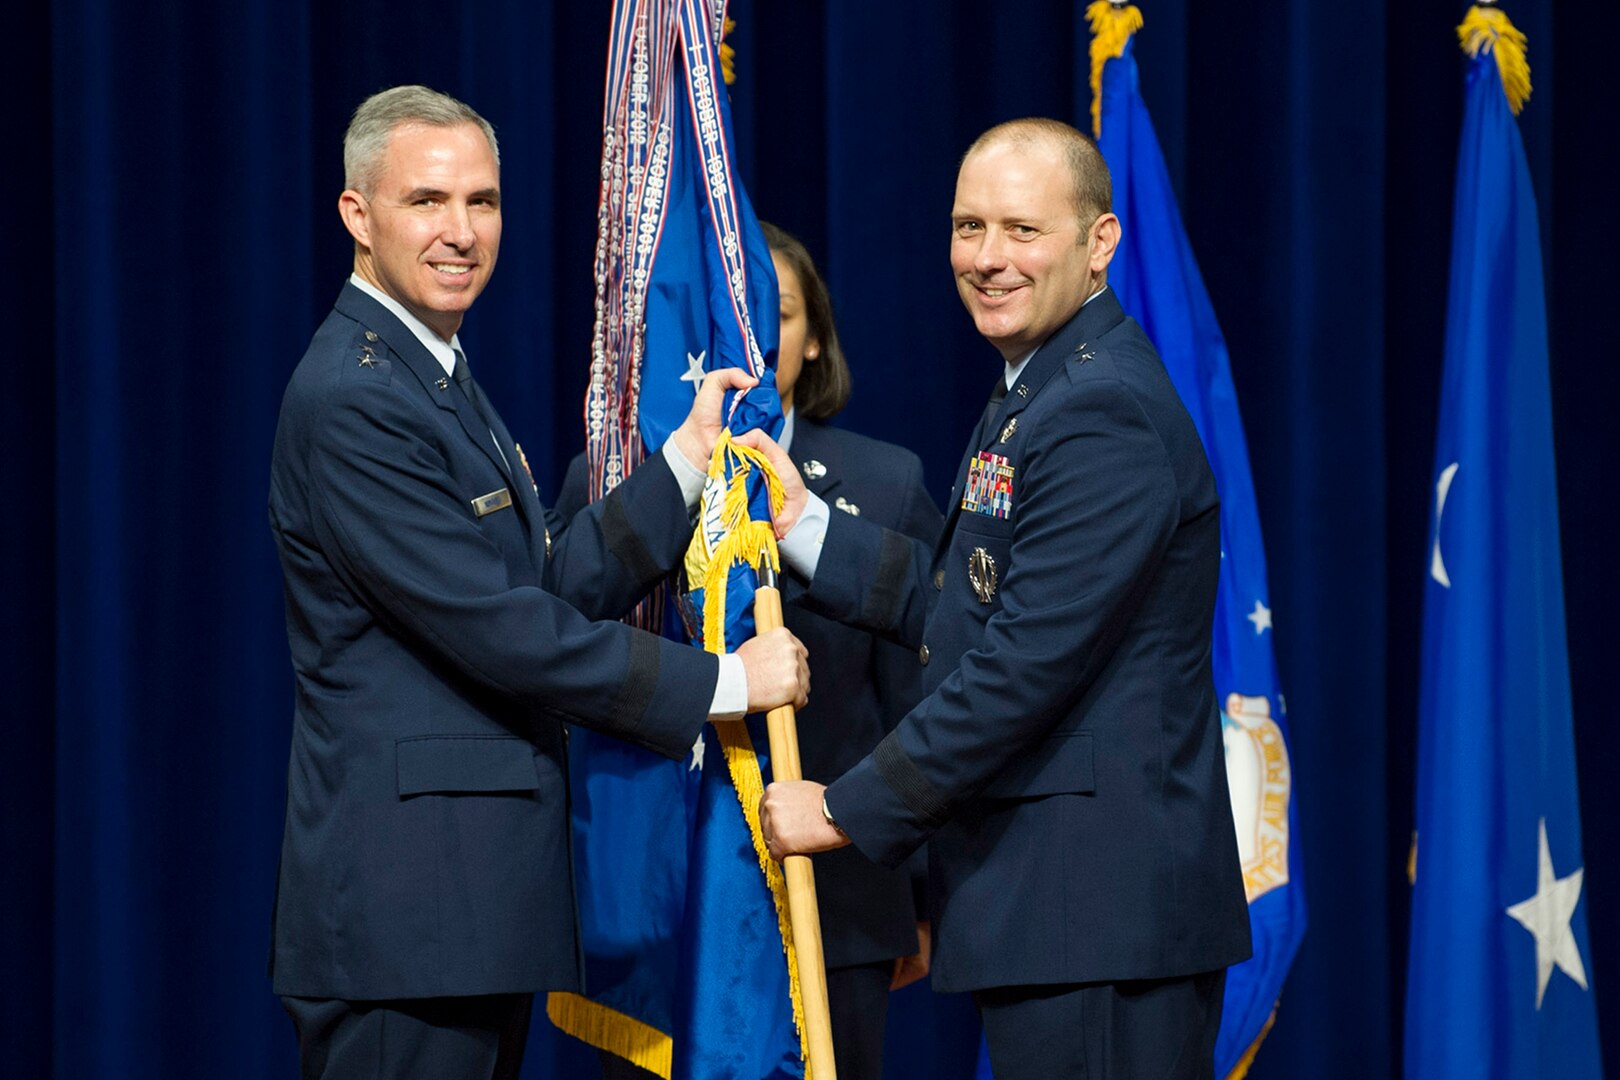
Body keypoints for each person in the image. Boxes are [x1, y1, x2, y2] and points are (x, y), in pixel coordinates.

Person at [266, 85, 808, 1080]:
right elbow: (503, 629)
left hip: (462, 915)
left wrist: (683, 468)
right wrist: (726, 686)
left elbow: (541, 576)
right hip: (411, 925)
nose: (461, 231)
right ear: (357, 214)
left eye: (483, 201)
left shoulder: (429, 371)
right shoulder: (356, 395)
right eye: (427, 201)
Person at [756, 118, 1252, 1079]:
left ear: (1099, 242)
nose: (988, 259)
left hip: (1101, 925)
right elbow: (969, 600)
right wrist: (807, 529)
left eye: (1022, 230)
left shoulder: (1100, 409)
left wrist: (845, 809)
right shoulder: (1040, 385)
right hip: (1062, 916)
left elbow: (1020, 667)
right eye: (967, 227)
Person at [555, 222, 943, 1079]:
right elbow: (558, 655)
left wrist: (920, 900)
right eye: (729, 313)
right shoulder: (614, 479)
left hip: (839, 906)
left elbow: (920, 698)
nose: (751, 335)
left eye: (778, 311)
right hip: (656, 907)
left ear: (813, 341)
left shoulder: (885, 484)